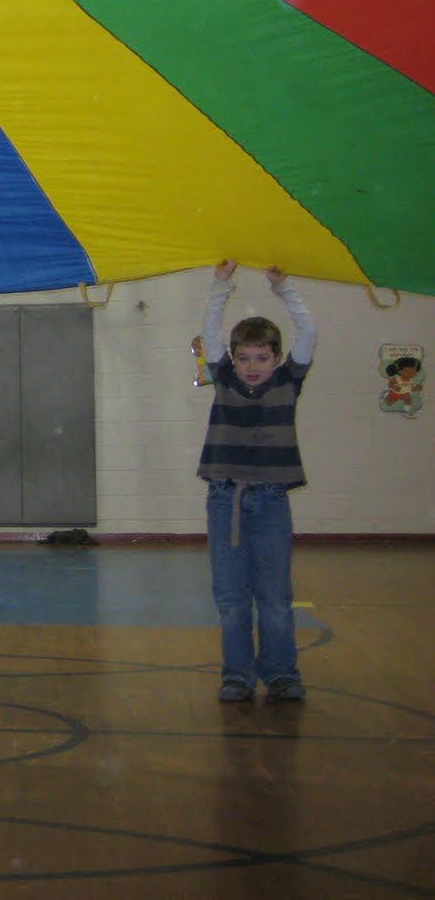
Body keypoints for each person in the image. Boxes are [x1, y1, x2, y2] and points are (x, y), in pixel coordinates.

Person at [198, 259, 315, 702]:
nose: (252, 366)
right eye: (244, 357)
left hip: (270, 501)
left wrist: (284, 291)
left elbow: (307, 333)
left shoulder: (288, 381)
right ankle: (237, 675)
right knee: (231, 597)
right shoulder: (224, 379)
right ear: (232, 359)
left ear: (277, 358)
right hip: (224, 499)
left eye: (262, 357)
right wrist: (219, 286)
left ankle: (282, 674)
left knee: (275, 596)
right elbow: (209, 331)